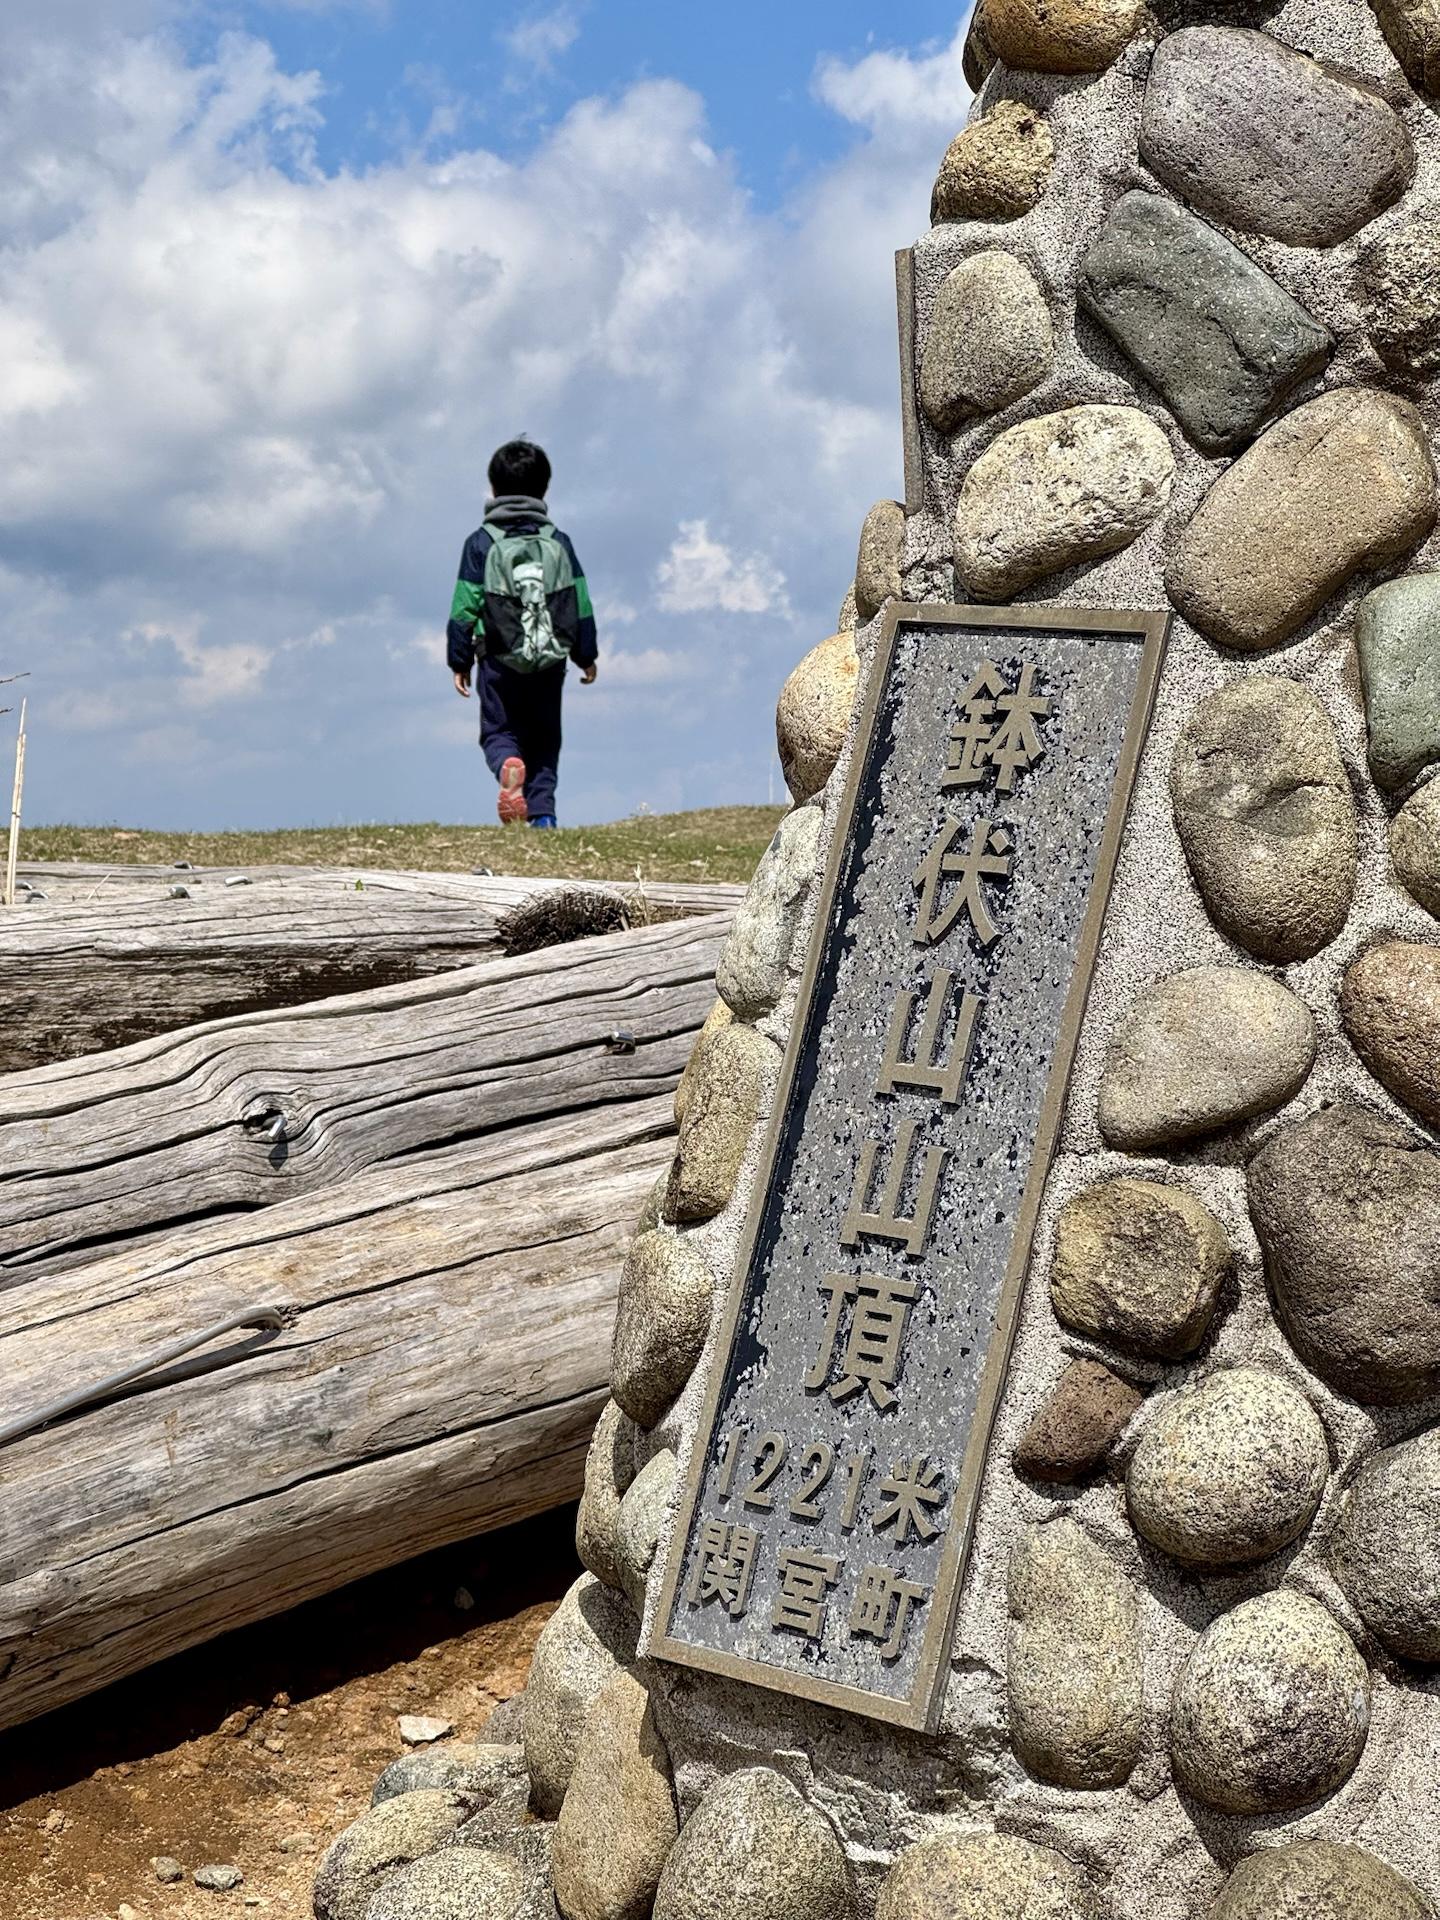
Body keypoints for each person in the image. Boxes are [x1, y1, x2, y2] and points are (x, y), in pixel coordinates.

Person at [447, 438, 597, 827]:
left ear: (493, 488)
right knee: (546, 738)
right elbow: (580, 600)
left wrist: (459, 659)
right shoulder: (558, 542)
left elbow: (465, 603)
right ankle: (544, 815)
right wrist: (587, 653)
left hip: (498, 657)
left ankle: (507, 765)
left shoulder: (480, 543)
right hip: (550, 660)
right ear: (544, 489)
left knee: (498, 730)